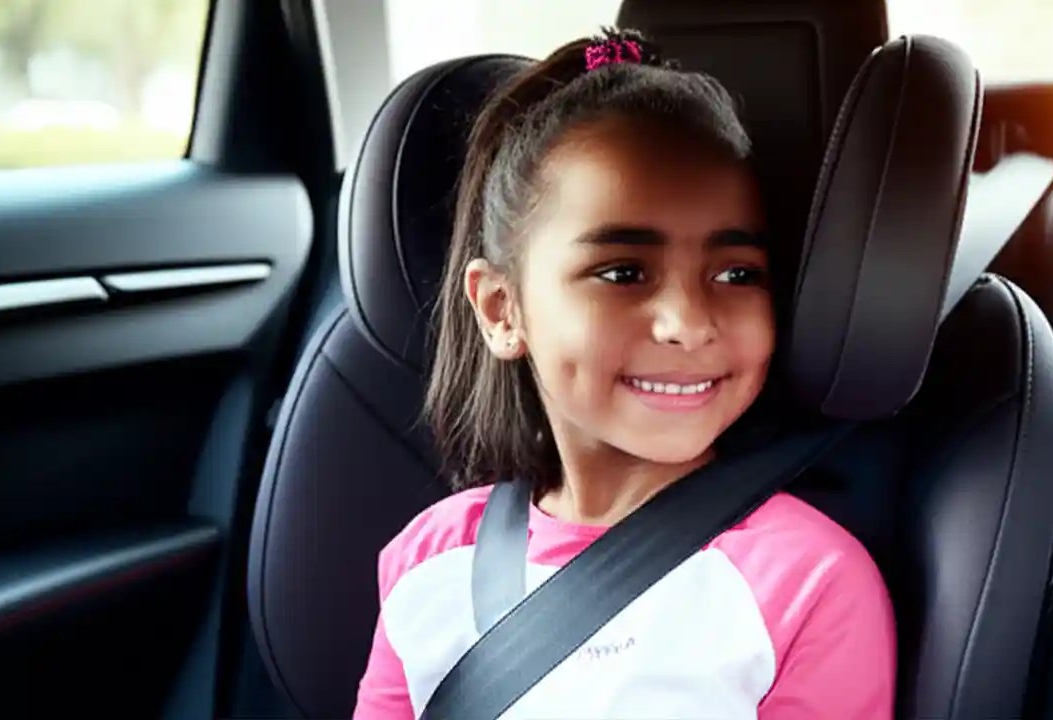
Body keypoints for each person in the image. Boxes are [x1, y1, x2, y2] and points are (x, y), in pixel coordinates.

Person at [353, 28, 895, 720]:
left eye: (735, 274)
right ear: (501, 308)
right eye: (623, 272)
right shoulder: (430, 558)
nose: (687, 322)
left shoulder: (808, 582)